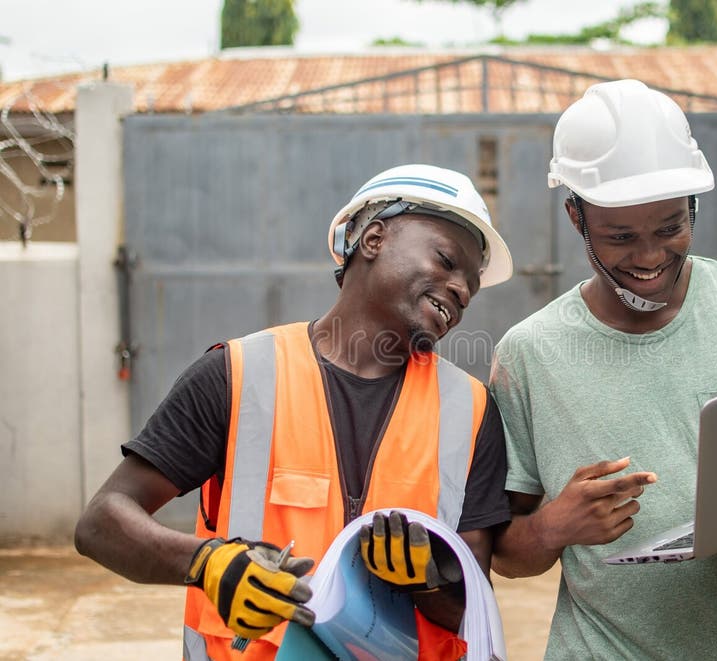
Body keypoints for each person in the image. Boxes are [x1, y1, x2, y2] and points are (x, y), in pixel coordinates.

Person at [74, 163, 514, 661]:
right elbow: (101, 523)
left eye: (472, 284)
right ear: (373, 239)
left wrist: (429, 583)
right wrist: (208, 563)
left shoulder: (470, 410)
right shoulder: (237, 375)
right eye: (446, 261)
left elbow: (471, 607)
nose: (462, 290)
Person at [489, 79, 717, 659]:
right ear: (576, 217)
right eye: (620, 237)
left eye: (670, 228)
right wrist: (556, 526)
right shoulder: (529, 352)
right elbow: (506, 555)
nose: (651, 257)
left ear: (692, 207)